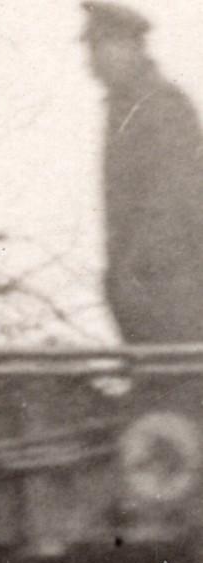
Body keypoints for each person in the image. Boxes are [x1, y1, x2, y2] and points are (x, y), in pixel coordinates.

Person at [83, 2, 203, 343]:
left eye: (100, 49)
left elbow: (174, 200)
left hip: (169, 288)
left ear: (131, 47)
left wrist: (138, 275)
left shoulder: (163, 106)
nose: (91, 64)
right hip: (142, 286)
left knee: (176, 385)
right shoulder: (123, 107)